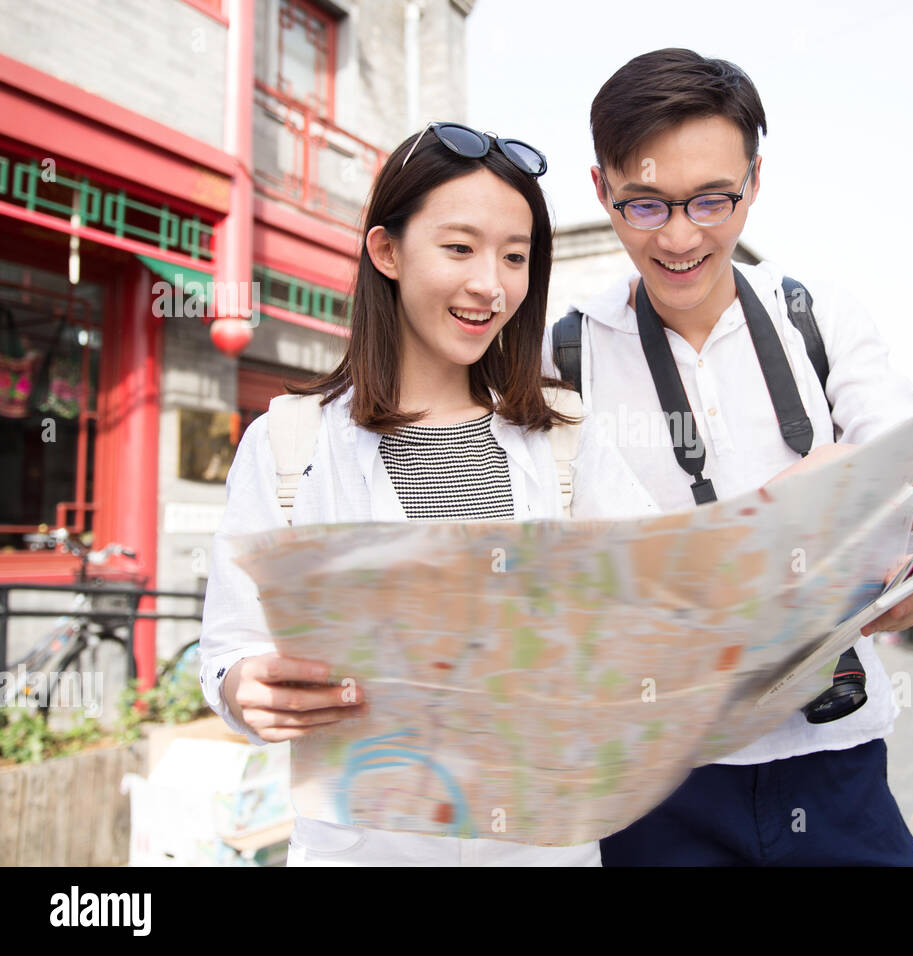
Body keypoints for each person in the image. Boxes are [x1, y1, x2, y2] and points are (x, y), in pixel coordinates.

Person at [542, 48, 913, 866]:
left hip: (835, 763)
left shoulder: (816, 316)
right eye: (643, 206)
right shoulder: (565, 356)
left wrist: (849, 497)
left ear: (755, 181)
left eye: (711, 200)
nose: (680, 236)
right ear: (600, 190)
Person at [198, 122, 659, 866]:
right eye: (459, 248)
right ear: (386, 251)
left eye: (516, 257)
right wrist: (246, 686)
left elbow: (667, 589)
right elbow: (230, 647)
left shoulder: (567, 433)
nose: (492, 284)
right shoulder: (289, 444)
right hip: (364, 849)